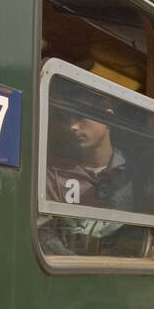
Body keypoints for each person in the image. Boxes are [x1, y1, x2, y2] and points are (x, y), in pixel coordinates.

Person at [41, 95, 136, 256]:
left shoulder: (134, 175)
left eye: (80, 116)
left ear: (107, 118)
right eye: (69, 119)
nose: (73, 126)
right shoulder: (54, 175)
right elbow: (44, 233)